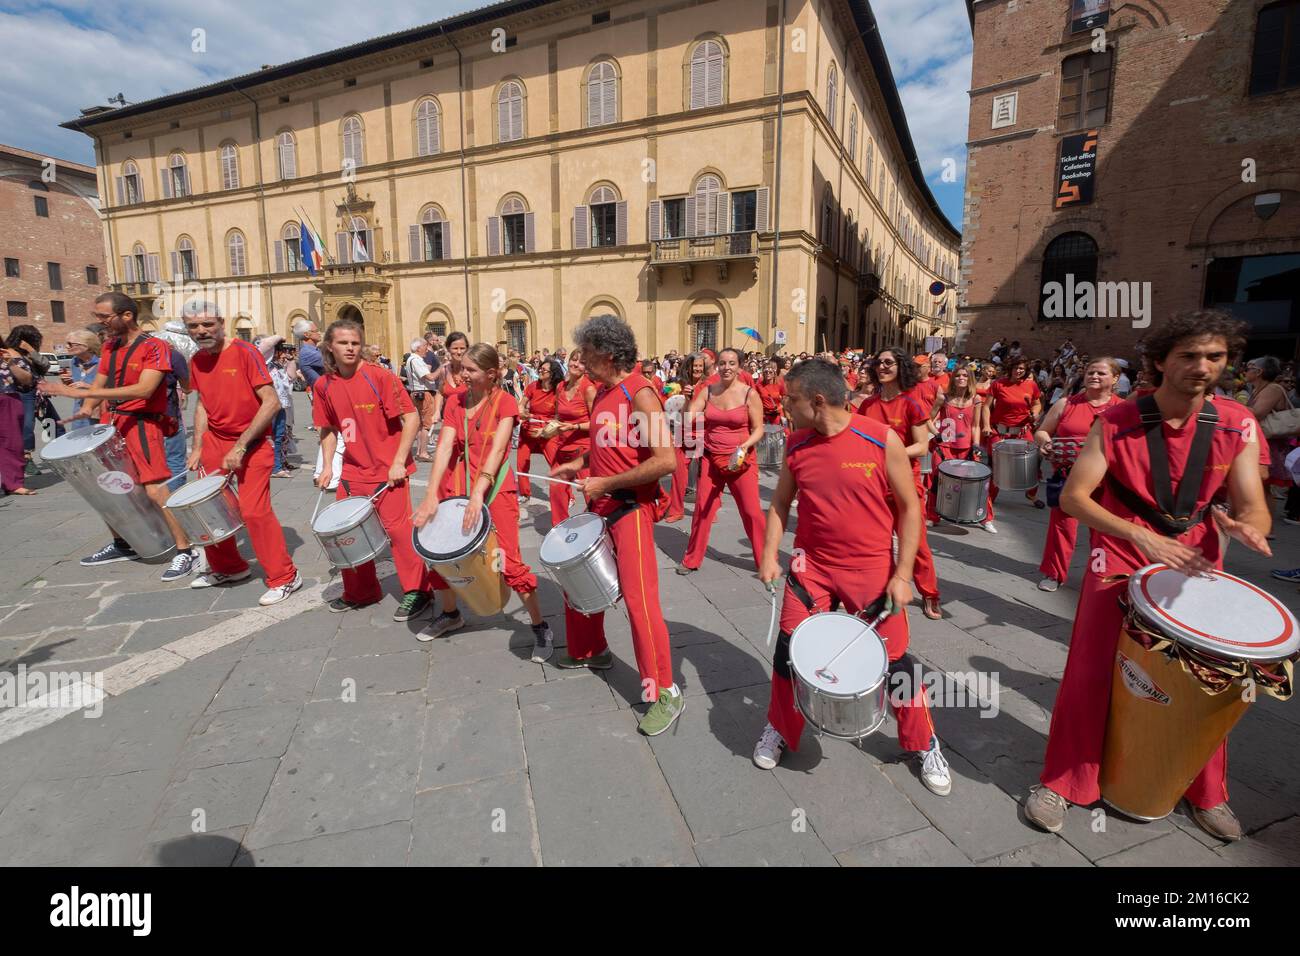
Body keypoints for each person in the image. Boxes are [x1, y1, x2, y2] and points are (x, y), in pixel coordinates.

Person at [1025, 311, 1271, 842]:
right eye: (1188, 356)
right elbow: (1073, 497)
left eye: (1215, 357)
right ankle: (1063, 782)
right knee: (1091, 672)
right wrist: (1141, 536)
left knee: (1206, 681)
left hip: (1196, 559)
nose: (1202, 367)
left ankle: (1205, 790)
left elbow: (1255, 504)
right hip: (1118, 554)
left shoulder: (1237, 422)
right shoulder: (1116, 421)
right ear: (1159, 361)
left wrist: (1247, 523)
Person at [751, 358, 951, 794]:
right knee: (788, 653)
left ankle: (923, 742)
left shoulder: (881, 439)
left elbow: (910, 508)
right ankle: (781, 728)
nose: (784, 406)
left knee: (896, 662)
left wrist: (902, 575)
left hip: (872, 571)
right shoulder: (797, 444)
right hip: (812, 570)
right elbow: (781, 503)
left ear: (817, 400)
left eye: (791, 399)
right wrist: (769, 554)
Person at [548, 316, 682, 734]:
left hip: (631, 512)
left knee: (641, 606)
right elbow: (608, 447)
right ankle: (593, 650)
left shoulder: (641, 394)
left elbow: (665, 461)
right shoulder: (604, 393)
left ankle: (666, 692)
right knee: (580, 584)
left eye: (586, 353)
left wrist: (605, 482)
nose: (581, 361)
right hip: (601, 507)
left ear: (607, 354)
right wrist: (578, 463)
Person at [413, 343, 552, 659]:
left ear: (491, 374)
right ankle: (451, 615)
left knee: (509, 562)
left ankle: (539, 625)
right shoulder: (455, 403)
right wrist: (431, 494)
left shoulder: (505, 403)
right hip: (458, 484)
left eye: (471, 370)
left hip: (496, 489)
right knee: (437, 552)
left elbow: (499, 450)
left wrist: (478, 495)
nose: (463, 374)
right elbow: (445, 448)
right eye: (462, 367)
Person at [46, 292, 197, 579]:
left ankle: (184, 549)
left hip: (143, 424)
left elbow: (144, 390)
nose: (100, 322)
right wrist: (86, 410)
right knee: (108, 486)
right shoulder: (110, 346)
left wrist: (86, 393)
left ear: (126, 315)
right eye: (98, 317)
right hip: (111, 422)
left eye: (104, 316)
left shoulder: (154, 347)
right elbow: (102, 381)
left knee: (155, 489)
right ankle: (122, 543)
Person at [314, 319, 445, 624]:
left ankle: (419, 591)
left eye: (355, 343)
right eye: (343, 343)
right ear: (330, 347)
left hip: (388, 473)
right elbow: (329, 429)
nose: (350, 348)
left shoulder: (379, 377)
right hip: (352, 473)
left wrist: (399, 461)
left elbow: (411, 419)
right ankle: (361, 591)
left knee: (399, 534)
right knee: (344, 533)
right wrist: (327, 466)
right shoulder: (324, 385)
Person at [180, 302, 301, 604]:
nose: (201, 331)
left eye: (207, 324)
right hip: (215, 442)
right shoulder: (197, 360)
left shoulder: (245, 353)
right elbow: (203, 404)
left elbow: (271, 402)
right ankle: (229, 567)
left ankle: (286, 577)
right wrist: (197, 446)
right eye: (193, 326)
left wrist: (241, 445)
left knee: (254, 511)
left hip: (253, 442)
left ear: (221, 322)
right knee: (209, 507)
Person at [858, 346, 943, 619]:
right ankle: (881, 589)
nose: (882, 367)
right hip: (875, 485)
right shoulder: (868, 405)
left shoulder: (911, 404)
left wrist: (888, 455)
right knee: (876, 542)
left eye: (889, 363)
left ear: (900, 368)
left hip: (906, 484)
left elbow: (921, 446)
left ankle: (930, 594)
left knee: (915, 544)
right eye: (879, 362)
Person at [1032, 358, 1124, 592]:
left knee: (1103, 530)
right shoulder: (1066, 403)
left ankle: (1101, 574)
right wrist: (1045, 443)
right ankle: (1054, 573)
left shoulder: (1123, 408)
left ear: (1115, 378)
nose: (1094, 376)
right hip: (1068, 476)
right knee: (1062, 526)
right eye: (1090, 372)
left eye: (1101, 373)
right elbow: (1042, 430)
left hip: (1107, 481)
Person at [678, 347, 767, 575]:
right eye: (723, 363)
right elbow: (689, 417)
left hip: (741, 461)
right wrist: (688, 399)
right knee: (702, 510)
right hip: (711, 458)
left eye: (732, 363)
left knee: (752, 512)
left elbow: (759, 429)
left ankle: (765, 561)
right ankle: (691, 560)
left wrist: (745, 446)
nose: (727, 367)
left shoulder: (750, 394)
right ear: (717, 366)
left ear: (739, 367)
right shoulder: (707, 391)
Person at [984, 356, 1044, 522]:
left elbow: (1037, 404)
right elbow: (986, 406)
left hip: (1022, 431)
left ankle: (1031, 494)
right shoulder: (998, 384)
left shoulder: (1031, 385)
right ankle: (989, 498)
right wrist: (986, 425)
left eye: (1022, 369)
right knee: (995, 465)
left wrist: (1036, 414)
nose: (1019, 371)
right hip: (1000, 431)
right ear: (1010, 367)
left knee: (1035, 461)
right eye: (1016, 368)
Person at [925, 365, 985, 525]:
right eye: (958, 375)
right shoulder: (943, 398)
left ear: (970, 379)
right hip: (944, 447)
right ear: (953, 378)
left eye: (965, 375)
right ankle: (932, 516)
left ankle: (983, 517)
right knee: (938, 480)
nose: (961, 378)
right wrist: (936, 435)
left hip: (966, 447)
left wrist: (977, 444)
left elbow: (976, 425)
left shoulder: (976, 399)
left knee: (974, 482)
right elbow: (928, 419)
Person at [548, 351, 595, 524]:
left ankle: (598, 526)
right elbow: (558, 417)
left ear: (587, 368)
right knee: (556, 489)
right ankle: (559, 528)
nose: (575, 364)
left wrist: (574, 426)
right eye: (573, 360)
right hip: (562, 446)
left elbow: (596, 423)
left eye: (581, 362)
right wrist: (548, 428)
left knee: (590, 493)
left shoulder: (589, 389)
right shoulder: (561, 386)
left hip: (583, 449)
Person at [667, 352, 708, 522]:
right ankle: (676, 510)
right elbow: (674, 411)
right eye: (695, 366)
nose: (698, 369)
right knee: (678, 472)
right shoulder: (679, 384)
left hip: (704, 432)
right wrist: (685, 398)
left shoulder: (709, 384)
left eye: (700, 366)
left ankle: (707, 511)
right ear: (688, 367)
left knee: (705, 474)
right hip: (683, 431)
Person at [1244, 356, 1294, 494]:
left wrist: (1232, 404)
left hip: (1270, 444)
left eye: (1248, 369)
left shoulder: (1273, 389)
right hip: (1262, 441)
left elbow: (1257, 413)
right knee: (1259, 486)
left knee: (1262, 486)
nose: (1245, 372)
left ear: (1258, 371)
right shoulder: (1259, 389)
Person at [517, 356, 562, 502]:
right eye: (540, 368)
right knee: (521, 462)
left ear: (552, 373)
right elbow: (521, 403)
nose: (540, 371)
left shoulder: (558, 390)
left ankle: (568, 496)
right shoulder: (533, 386)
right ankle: (524, 493)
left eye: (544, 369)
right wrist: (522, 411)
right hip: (529, 429)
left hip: (548, 431)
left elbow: (559, 416)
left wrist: (545, 430)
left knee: (555, 464)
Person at [1, 342, 36, 495]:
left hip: (7, 399)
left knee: (12, 443)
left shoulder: (9, 354)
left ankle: (13, 483)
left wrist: (11, 364)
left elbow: (27, 380)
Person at [59, 330, 101, 432]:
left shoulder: (102, 363)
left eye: (70, 344)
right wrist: (68, 382)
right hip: (78, 411)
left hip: (97, 413)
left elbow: (114, 390)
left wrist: (88, 386)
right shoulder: (74, 362)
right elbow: (76, 386)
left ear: (86, 346)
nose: (67, 347)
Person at [405, 339, 438, 462]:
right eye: (425, 346)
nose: (427, 349)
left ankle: (419, 450)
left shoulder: (411, 359)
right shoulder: (416, 360)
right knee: (426, 424)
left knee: (419, 424)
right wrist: (441, 367)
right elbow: (430, 377)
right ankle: (423, 452)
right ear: (418, 348)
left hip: (416, 393)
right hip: (424, 393)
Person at [268, 342, 296, 477]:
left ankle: (277, 466)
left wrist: (290, 361)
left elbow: (291, 378)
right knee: (270, 437)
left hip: (281, 405)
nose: (284, 354)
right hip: (269, 406)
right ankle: (272, 466)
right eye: (281, 351)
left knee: (279, 436)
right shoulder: (263, 365)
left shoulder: (277, 366)